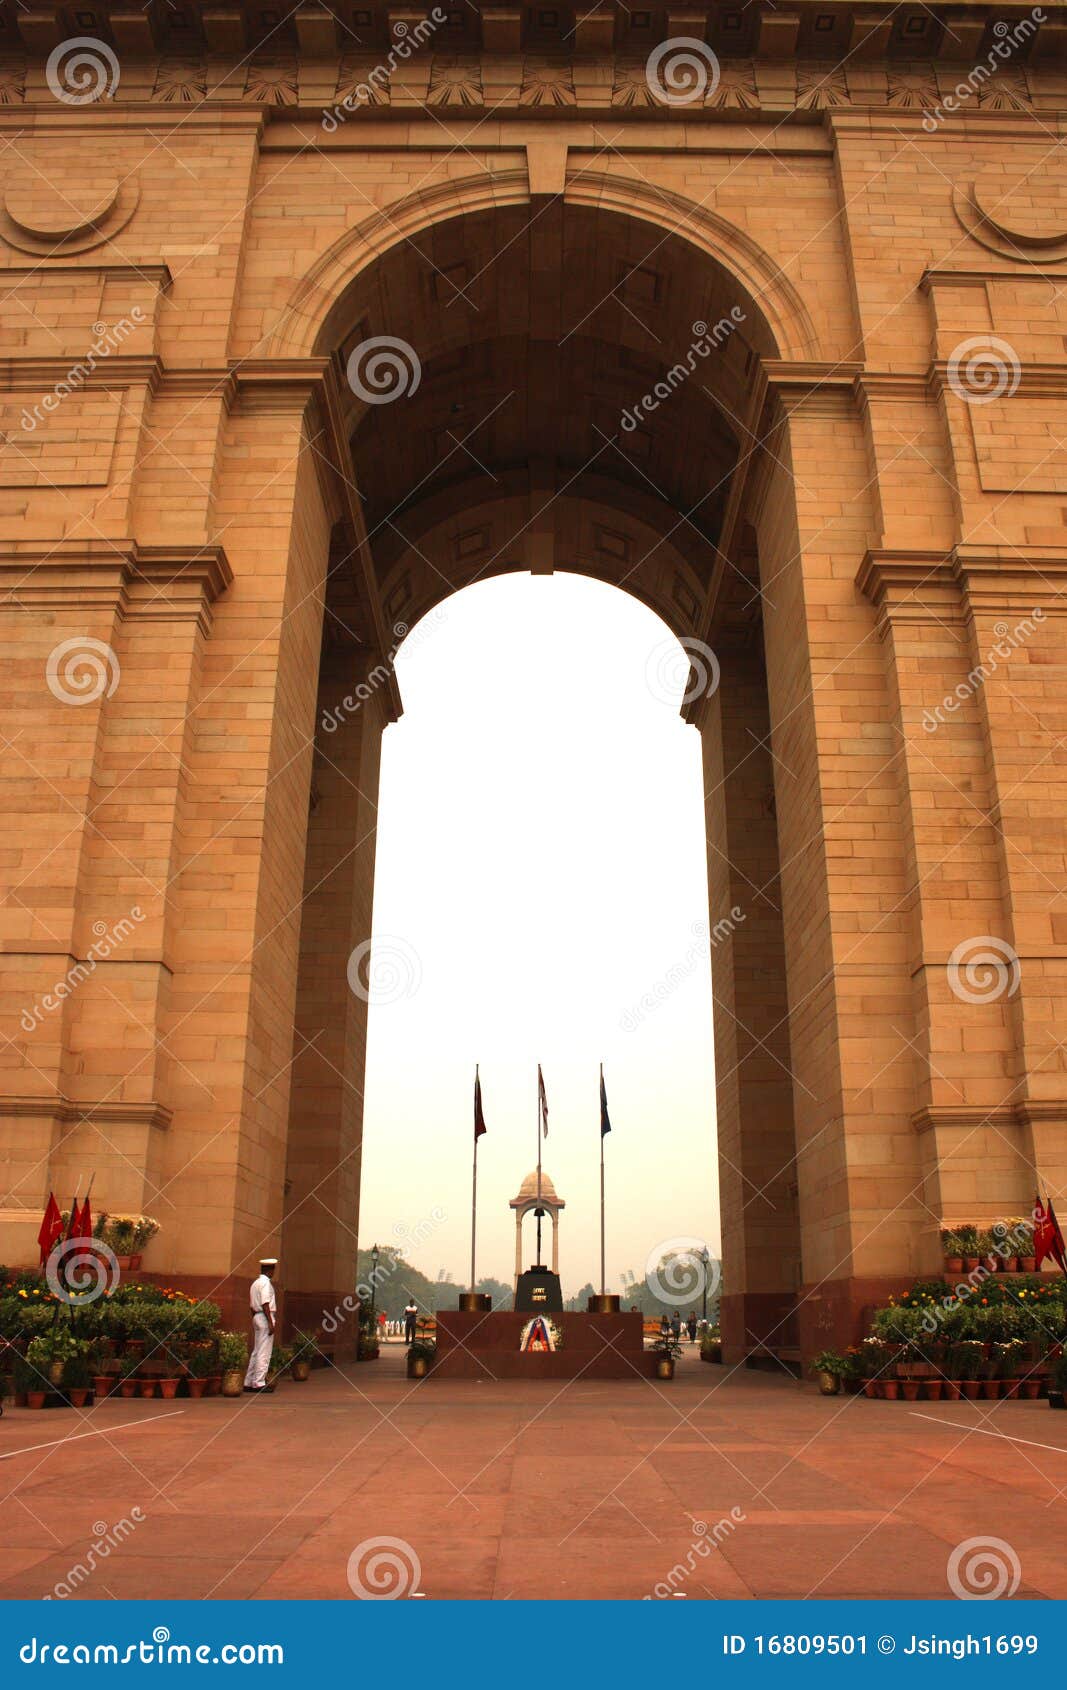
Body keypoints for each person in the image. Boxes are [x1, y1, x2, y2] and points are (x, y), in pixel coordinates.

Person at [243, 1257, 278, 1393]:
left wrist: (256, 1318)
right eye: (273, 1270)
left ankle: (248, 1381)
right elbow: (265, 1303)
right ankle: (259, 1382)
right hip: (264, 1317)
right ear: (270, 1270)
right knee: (264, 1351)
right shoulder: (266, 1284)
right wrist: (270, 1322)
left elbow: (252, 1305)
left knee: (256, 1351)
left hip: (257, 1316)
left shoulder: (255, 1284)